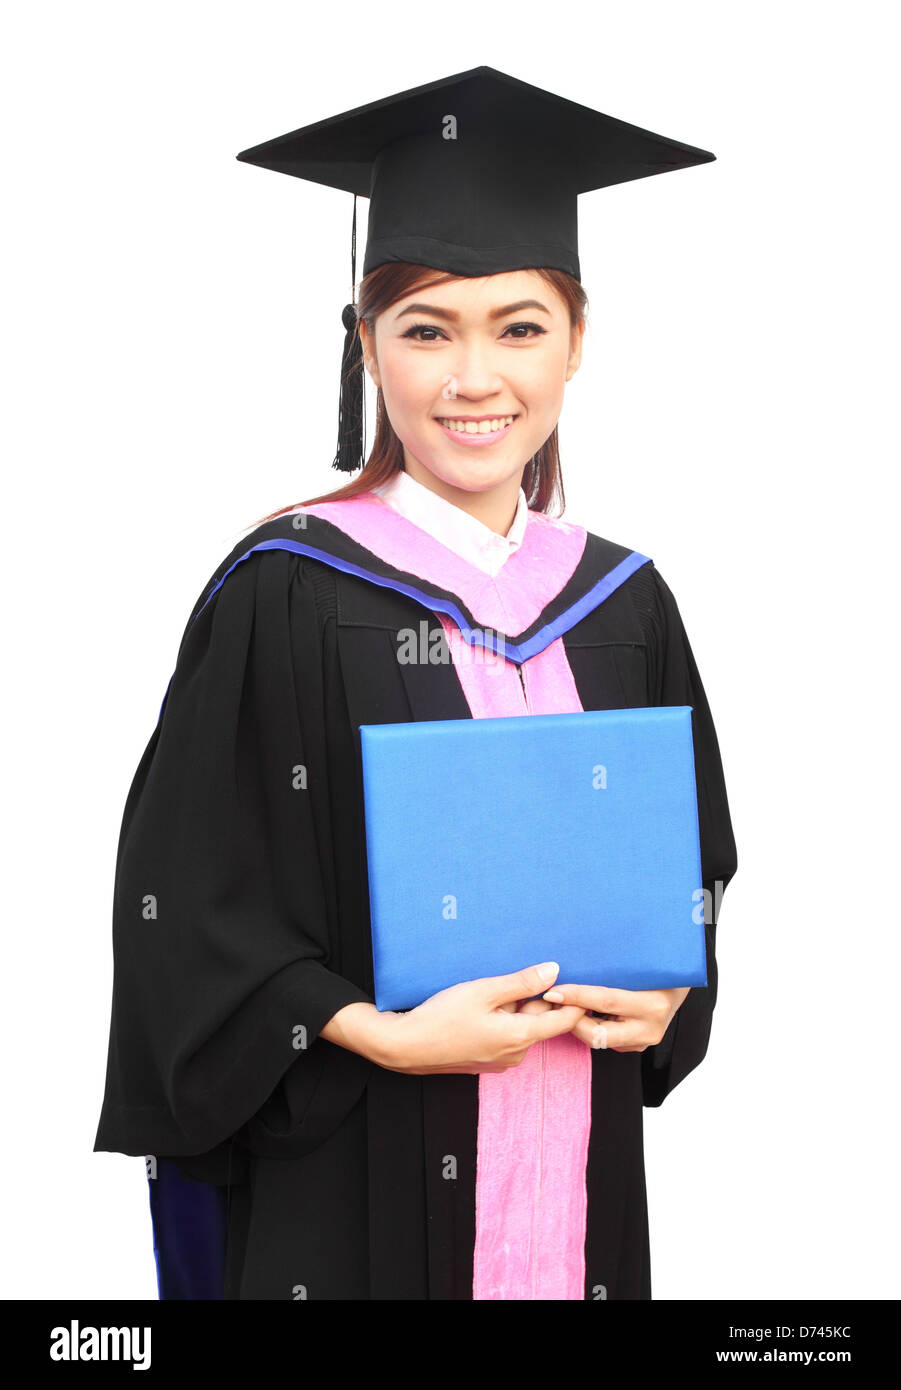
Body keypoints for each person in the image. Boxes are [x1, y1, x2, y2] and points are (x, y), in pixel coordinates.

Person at [93, 66, 738, 1301]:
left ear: (578, 341)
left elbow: (693, 864)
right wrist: (380, 1034)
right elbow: (185, 906)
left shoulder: (624, 601)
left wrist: (668, 993)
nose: (473, 379)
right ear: (365, 345)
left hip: (575, 1163)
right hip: (355, 1178)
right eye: (426, 328)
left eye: (519, 326)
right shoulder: (284, 590)